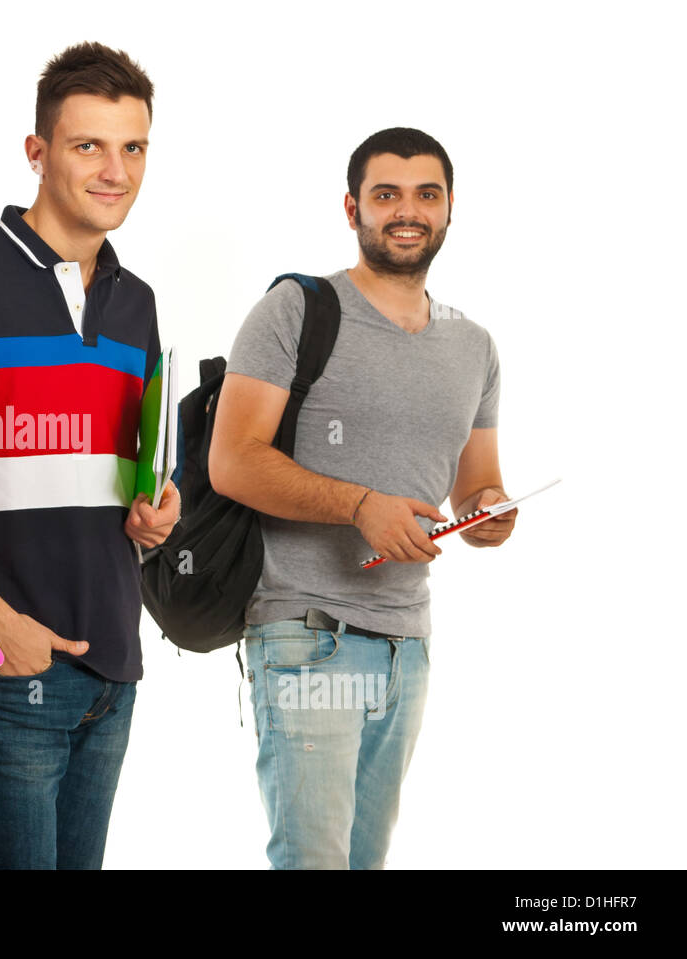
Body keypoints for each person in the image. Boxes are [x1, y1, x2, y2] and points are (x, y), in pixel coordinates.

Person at [0, 41, 179, 870]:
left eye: (132, 147)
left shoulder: (136, 303)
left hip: (113, 670)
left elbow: (126, 477)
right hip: (6, 672)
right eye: (88, 144)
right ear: (37, 152)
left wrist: (157, 513)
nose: (115, 170)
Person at [209, 128, 517, 869]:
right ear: (353, 209)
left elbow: (477, 479)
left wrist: (491, 510)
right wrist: (358, 504)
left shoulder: (472, 344)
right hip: (308, 634)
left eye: (425, 195)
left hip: (408, 640)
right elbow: (233, 461)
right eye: (386, 195)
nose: (406, 211)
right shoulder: (297, 310)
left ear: (448, 211)